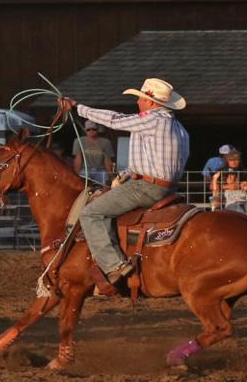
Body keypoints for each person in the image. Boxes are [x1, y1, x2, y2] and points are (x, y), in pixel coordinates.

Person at [58, 76, 191, 288]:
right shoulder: (179, 128)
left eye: (140, 98)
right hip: (168, 187)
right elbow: (156, 161)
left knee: (91, 213)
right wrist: (127, 174)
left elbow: (115, 120)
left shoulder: (152, 120)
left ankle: (115, 265)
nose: (137, 102)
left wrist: (77, 108)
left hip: (147, 187)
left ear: (151, 102)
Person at [71, 121, 115, 188]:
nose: (91, 131)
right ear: (85, 131)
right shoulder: (78, 141)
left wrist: (111, 175)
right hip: (85, 171)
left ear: (98, 130)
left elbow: (107, 160)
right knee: (82, 188)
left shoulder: (106, 142)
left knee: (105, 186)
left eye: (94, 129)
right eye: (88, 130)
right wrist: (76, 175)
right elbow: (78, 159)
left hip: (100, 170)